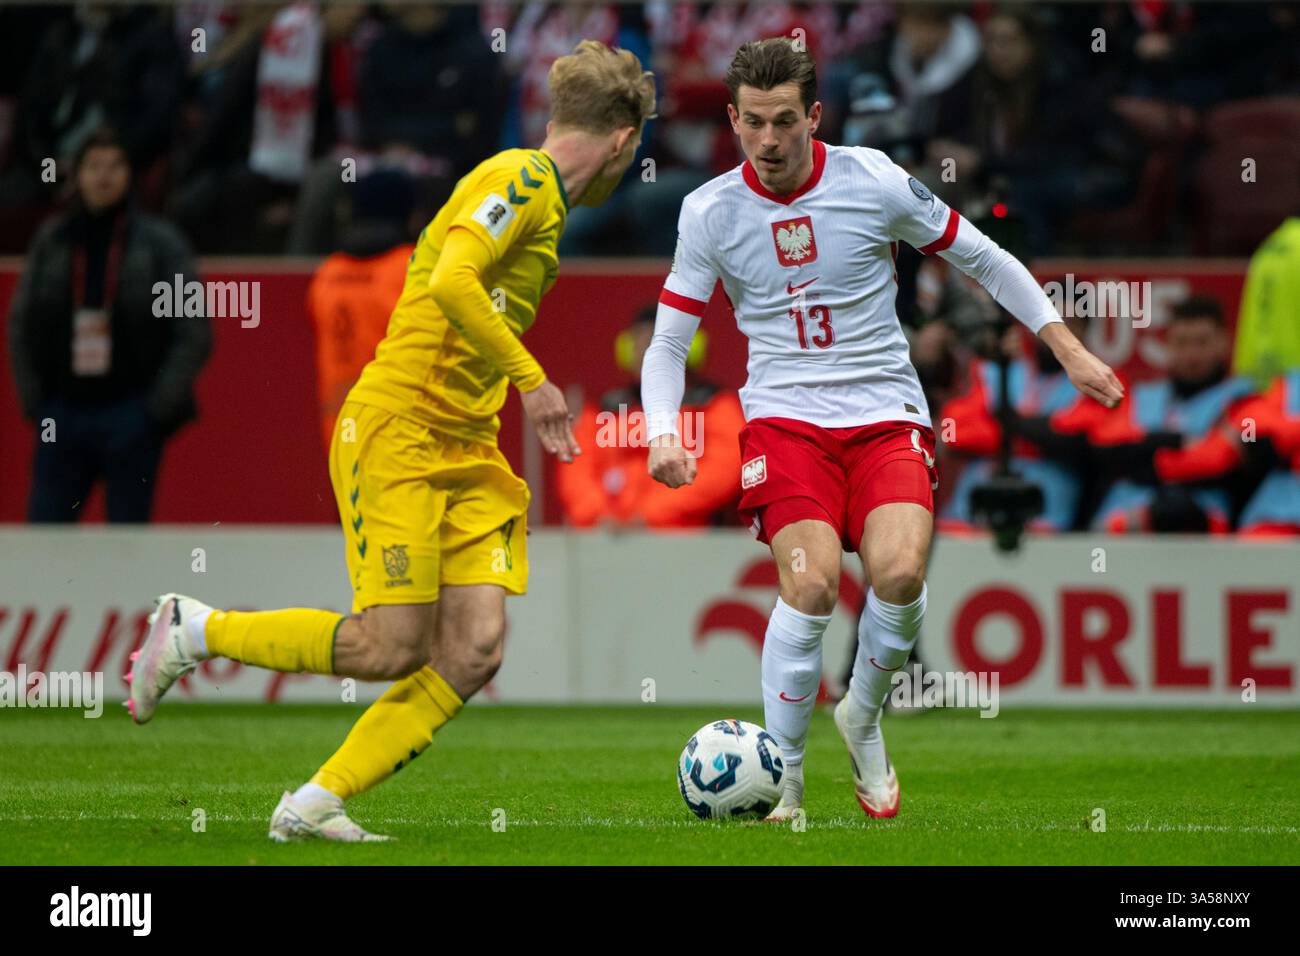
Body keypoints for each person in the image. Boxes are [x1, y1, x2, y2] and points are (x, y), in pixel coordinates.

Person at [125, 41, 655, 842]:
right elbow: (451, 280)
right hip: (399, 427)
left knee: (475, 648)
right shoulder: (520, 179)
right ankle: (193, 628)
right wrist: (534, 381)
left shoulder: (545, 204)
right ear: (623, 139)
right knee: (389, 647)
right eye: (635, 147)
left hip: (466, 447)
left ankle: (315, 802)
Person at [642, 38, 1121, 821]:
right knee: (813, 582)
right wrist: (664, 429)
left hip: (883, 412)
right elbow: (667, 341)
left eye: (785, 123)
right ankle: (786, 779)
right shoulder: (709, 212)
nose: (768, 142)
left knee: (899, 575)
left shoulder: (873, 181)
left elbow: (985, 258)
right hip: (785, 422)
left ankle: (861, 714)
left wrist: (1065, 347)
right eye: (753, 124)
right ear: (732, 119)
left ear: (815, 117)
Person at [8, 127, 209, 522]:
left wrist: (154, 411)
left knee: (129, 549)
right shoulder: (53, 241)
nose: (104, 176)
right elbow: (21, 322)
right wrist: (36, 403)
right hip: (62, 414)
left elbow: (194, 329)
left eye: (115, 166)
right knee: (45, 545)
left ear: (129, 175)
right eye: (94, 166)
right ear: (77, 174)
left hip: (130, 413)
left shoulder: (161, 243)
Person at [557, 305, 744, 528]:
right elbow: (576, 470)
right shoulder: (603, 409)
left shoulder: (715, 404)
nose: (646, 352)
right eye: (639, 342)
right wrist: (600, 516)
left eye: (656, 342)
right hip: (607, 539)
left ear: (689, 347)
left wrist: (652, 515)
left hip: (688, 543)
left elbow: (724, 471)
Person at [1088, 296, 1255, 533]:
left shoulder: (1243, 398)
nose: (1191, 354)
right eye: (1182, 342)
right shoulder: (1142, 395)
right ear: (1167, 345)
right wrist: (1178, 443)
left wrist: (1147, 456)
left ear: (1223, 343)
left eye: (1201, 342)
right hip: (1121, 518)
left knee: (1174, 511)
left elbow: (1223, 458)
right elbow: (1106, 448)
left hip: (1202, 520)